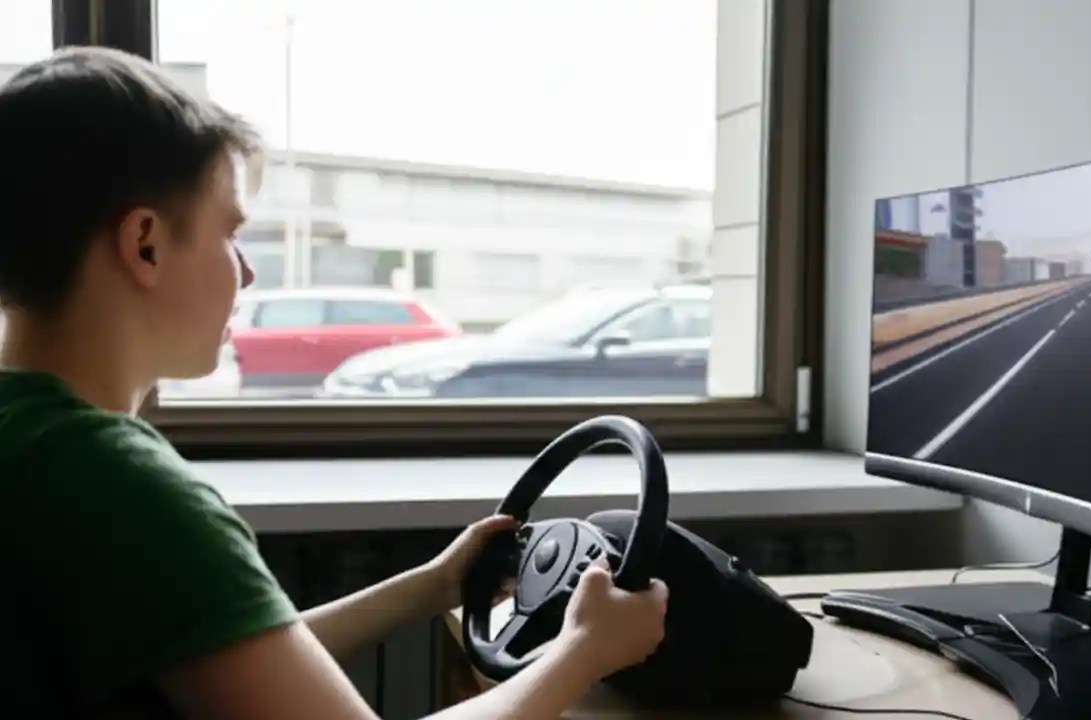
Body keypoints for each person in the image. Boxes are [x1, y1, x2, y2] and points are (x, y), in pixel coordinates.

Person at [0, 46, 668, 719]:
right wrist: (585, 650)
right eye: (230, 233)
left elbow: (224, 652)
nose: (247, 274)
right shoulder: (122, 489)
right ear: (145, 243)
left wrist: (432, 587)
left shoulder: (33, 444)